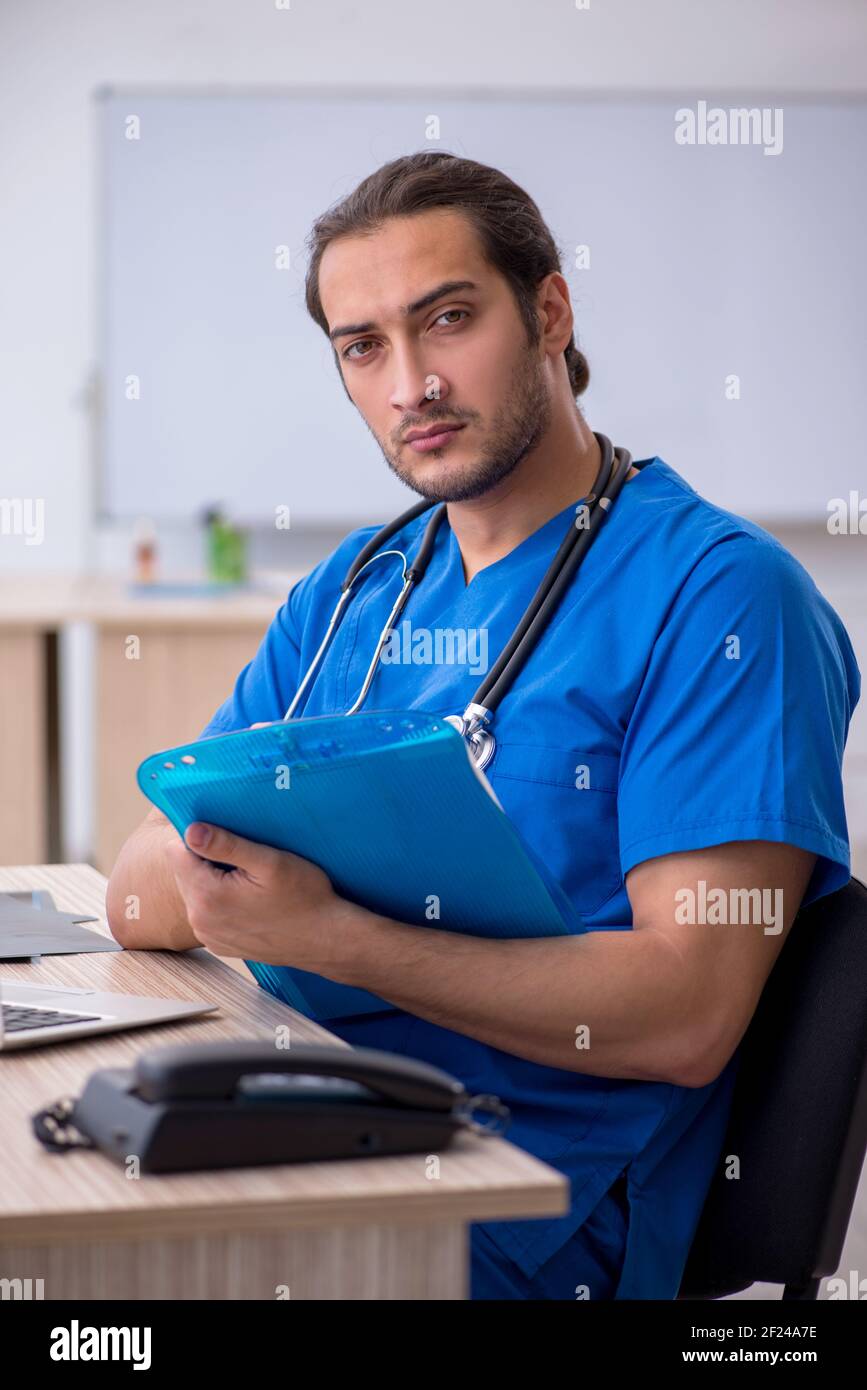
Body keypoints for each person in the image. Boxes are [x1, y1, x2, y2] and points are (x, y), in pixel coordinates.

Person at [107, 151, 861, 1300]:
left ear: (549, 310)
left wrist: (333, 934)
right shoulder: (359, 589)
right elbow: (147, 877)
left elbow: (687, 1015)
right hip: (313, 1114)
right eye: (364, 347)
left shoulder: (720, 598)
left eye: (446, 319)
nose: (411, 383)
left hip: (521, 1201)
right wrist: (237, 896)